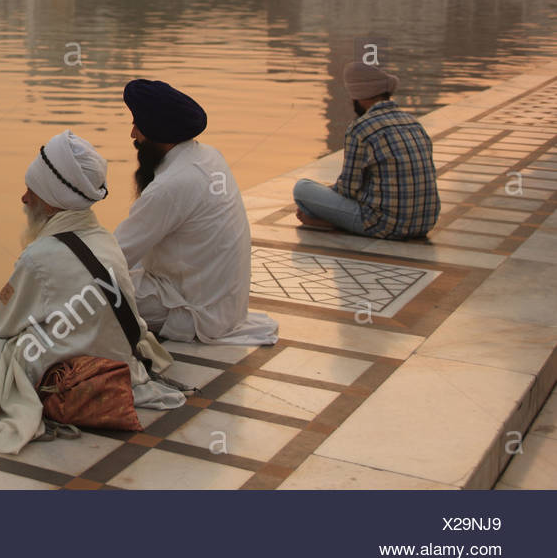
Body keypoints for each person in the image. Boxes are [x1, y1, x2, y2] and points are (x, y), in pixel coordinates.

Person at [0, 130, 186, 453]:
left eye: (32, 191)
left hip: (56, 373)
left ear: (51, 201)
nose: (24, 198)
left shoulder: (39, 257)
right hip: (118, 366)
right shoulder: (106, 241)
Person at [114, 79, 278, 346]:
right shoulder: (209, 156)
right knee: (108, 273)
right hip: (225, 307)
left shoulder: (171, 186)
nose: (133, 134)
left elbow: (113, 254)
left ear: (158, 134)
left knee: (91, 290)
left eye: (138, 125)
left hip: (195, 312)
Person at [293, 62, 440, 239]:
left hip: (386, 225)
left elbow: (348, 189)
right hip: (425, 222)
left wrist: (322, 198)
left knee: (302, 189)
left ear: (359, 97)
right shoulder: (412, 122)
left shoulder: (361, 127)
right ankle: (335, 221)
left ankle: (331, 222)